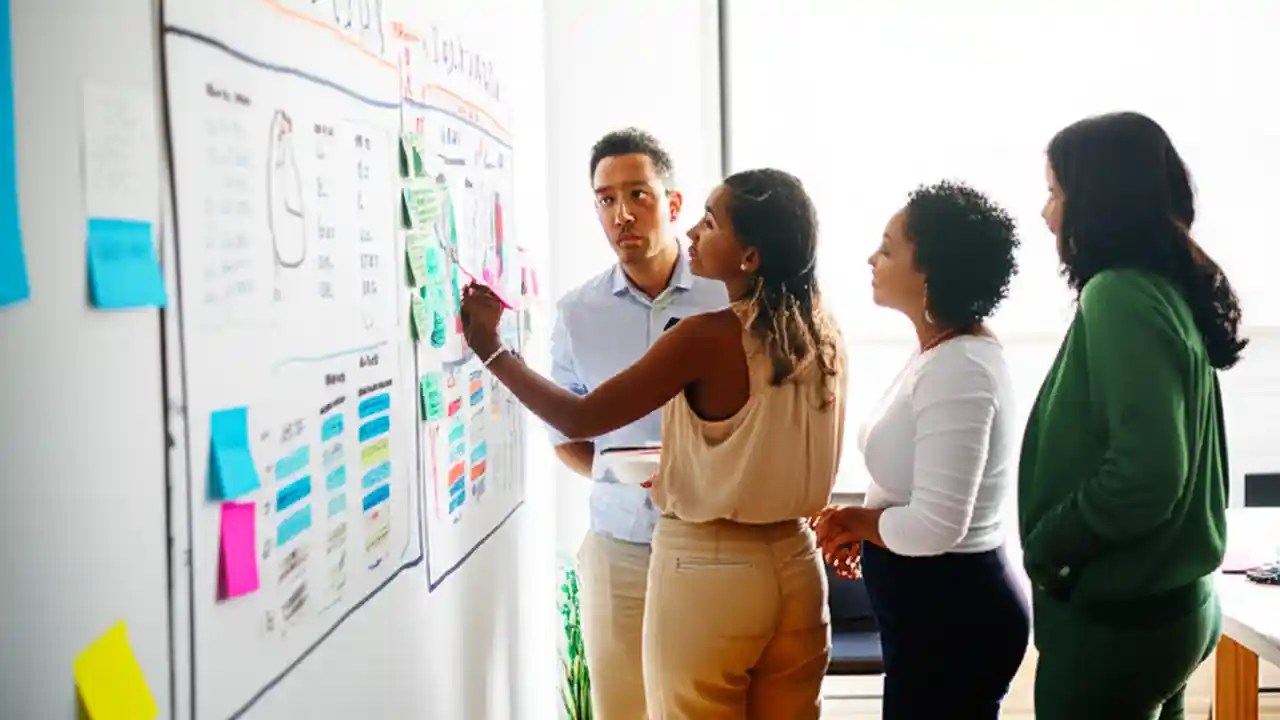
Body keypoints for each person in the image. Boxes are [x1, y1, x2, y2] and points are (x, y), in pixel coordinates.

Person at [461, 168, 846, 718]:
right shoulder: (822, 331)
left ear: (750, 257)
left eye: (710, 223)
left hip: (711, 570)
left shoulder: (708, 336)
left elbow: (580, 417)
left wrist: (492, 350)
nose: (692, 234)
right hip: (797, 564)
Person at [1020, 111, 1245, 719]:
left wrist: (1050, 544)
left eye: (1054, 193)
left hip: (1120, 623)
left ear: (1096, 202)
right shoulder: (1164, 289)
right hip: (1170, 607)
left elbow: (1147, 474)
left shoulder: (1118, 294)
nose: (1046, 214)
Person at [813, 181, 1030, 718]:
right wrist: (862, 529)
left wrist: (859, 524)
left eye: (887, 248)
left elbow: (939, 526)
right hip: (936, 612)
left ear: (929, 271)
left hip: (954, 618)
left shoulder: (960, 368)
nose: (872, 257)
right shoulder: (939, 352)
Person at [543, 128, 726, 718]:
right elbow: (565, 431)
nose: (622, 213)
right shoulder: (578, 312)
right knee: (623, 708)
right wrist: (617, 475)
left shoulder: (726, 296)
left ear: (673, 204)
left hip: (715, 542)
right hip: (620, 544)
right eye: (605, 199)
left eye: (638, 194)